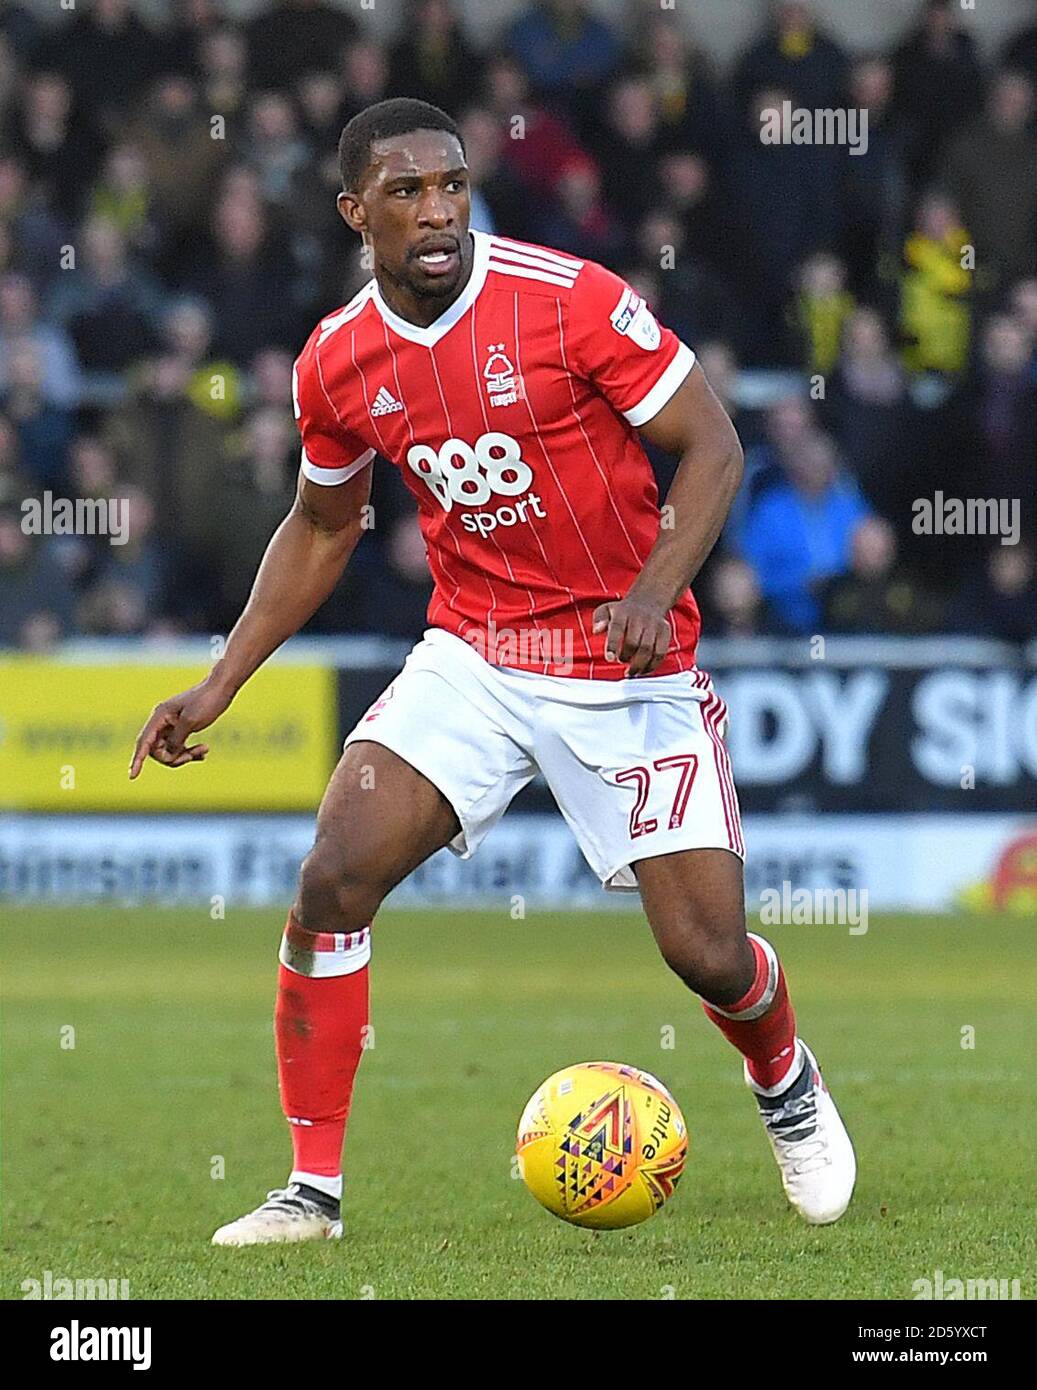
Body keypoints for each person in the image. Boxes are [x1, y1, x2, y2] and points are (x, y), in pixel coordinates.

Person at [129, 98, 856, 1245]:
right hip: (475, 650)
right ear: (352, 210)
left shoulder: (566, 300)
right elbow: (322, 528)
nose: (437, 211)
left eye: (453, 185)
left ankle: (785, 1082)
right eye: (408, 191)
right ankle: (310, 1190)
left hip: (627, 661)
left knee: (704, 951)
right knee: (333, 873)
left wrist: (655, 585)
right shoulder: (335, 360)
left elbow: (712, 445)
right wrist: (222, 679)